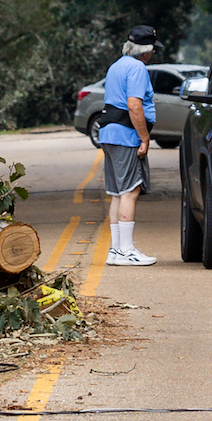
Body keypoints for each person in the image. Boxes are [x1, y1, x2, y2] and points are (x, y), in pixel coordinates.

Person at [94, 25, 159, 266]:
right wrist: (144, 137)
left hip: (109, 132)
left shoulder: (117, 65)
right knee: (131, 191)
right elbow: (134, 106)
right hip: (126, 134)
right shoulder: (137, 68)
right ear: (146, 51)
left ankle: (116, 250)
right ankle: (126, 250)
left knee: (116, 193)